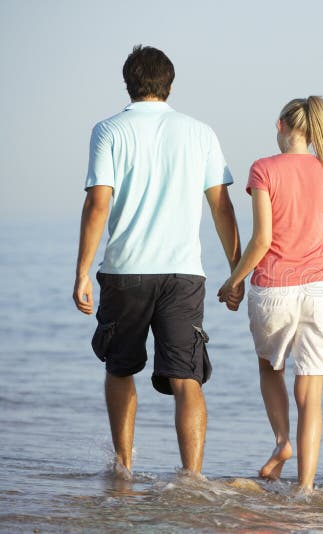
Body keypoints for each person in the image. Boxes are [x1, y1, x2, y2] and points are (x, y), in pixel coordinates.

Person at [73, 45, 242, 479]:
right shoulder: (200, 132)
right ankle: (192, 479)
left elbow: (97, 205)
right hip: (183, 273)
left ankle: (124, 469)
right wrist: (236, 269)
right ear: (169, 83)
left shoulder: (108, 130)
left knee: (120, 368)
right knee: (187, 378)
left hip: (125, 271)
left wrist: (82, 272)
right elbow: (221, 206)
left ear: (128, 82)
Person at [217, 96, 323, 491]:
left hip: (275, 288)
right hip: (321, 290)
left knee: (270, 368)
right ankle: (305, 487)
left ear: (280, 125)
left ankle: (282, 441)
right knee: (311, 392)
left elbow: (261, 240)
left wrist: (233, 281)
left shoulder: (264, 169)